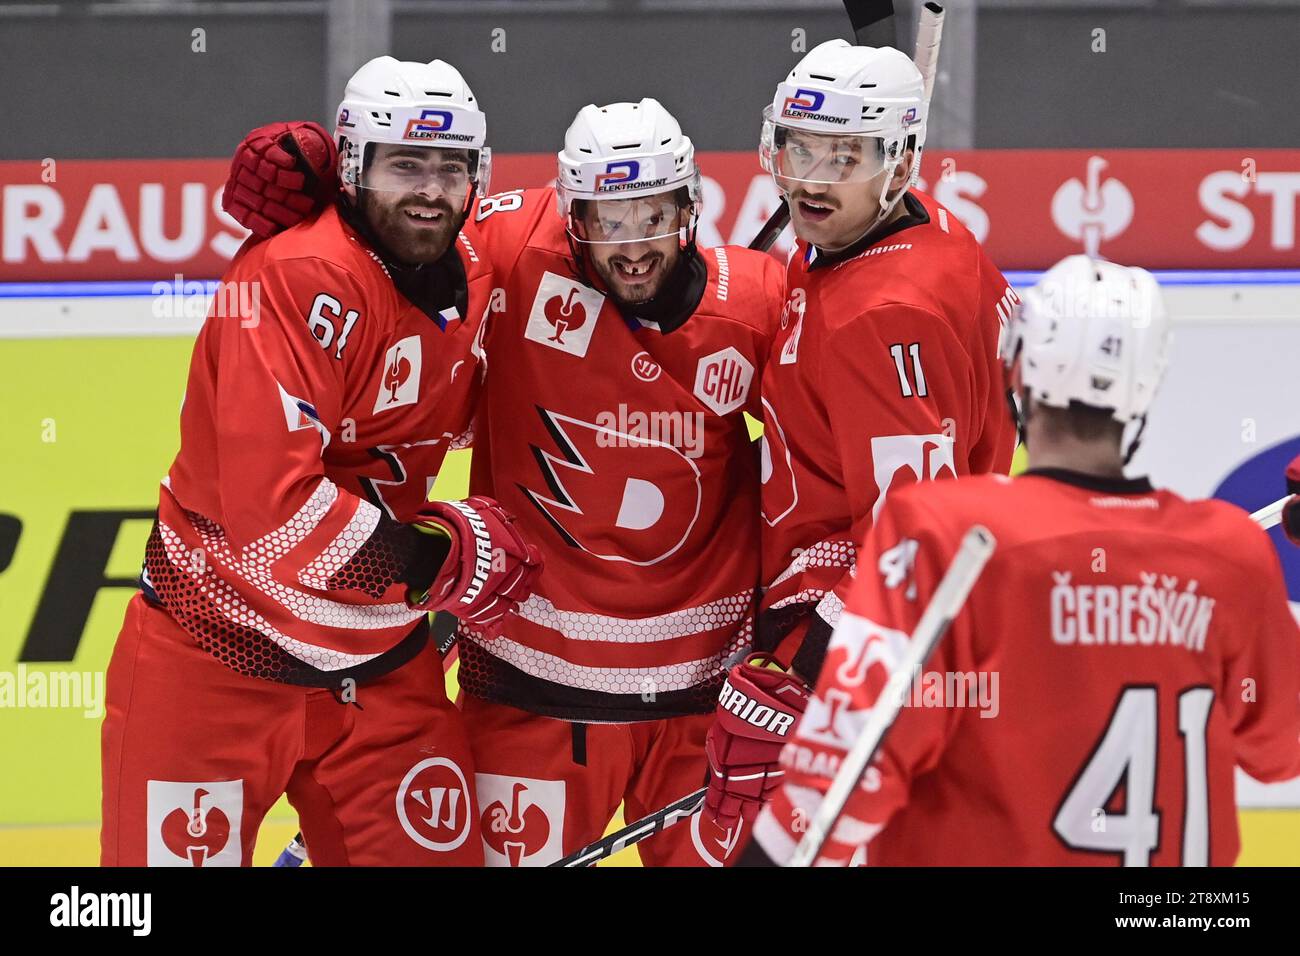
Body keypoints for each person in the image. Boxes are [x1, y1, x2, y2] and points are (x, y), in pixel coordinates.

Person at [220, 97, 786, 866]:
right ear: (570, 213)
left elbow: (824, 463)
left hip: (702, 699)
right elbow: (407, 221)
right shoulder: (516, 247)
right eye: (607, 221)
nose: (630, 250)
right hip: (530, 695)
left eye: (651, 217)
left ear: (690, 206)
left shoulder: (760, 303)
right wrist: (317, 196)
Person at [101, 56, 541, 867]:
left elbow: (607, 211)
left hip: (381, 670)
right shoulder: (296, 276)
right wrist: (435, 561)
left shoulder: (475, 269)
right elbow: (276, 515)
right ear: (352, 165)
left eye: (452, 168)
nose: (431, 190)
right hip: (214, 657)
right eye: (405, 163)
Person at [741, 255, 1300, 866]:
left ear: (1017, 376)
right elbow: (1282, 750)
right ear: (1148, 388)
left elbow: (841, 782)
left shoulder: (947, 536)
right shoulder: (1228, 554)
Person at [703, 39, 1019, 832]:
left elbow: (913, 545)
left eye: (844, 156)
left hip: (866, 662)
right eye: (798, 147)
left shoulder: (887, 315)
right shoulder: (913, 228)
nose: (810, 177)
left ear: (901, 159)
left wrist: (806, 676)